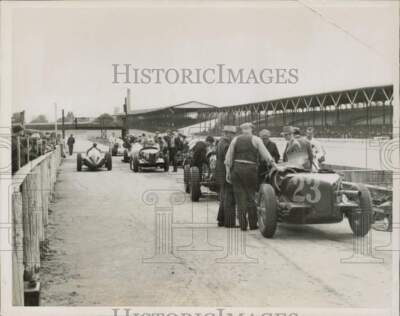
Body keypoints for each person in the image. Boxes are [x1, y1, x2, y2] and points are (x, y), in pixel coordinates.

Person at [225, 122, 277, 231]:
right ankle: (253, 224)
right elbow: (267, 156)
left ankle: (243, 225)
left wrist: (228, 173)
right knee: (251, 197)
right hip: (250, 169)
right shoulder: (256, 139)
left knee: (240, 199)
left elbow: (228, 159)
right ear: (251, 129)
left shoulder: (235, 139)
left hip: (237, 169)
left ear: (242, 130)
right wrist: (275, 166)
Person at [216, 126, 237, 227]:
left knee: (224, 197)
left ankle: (221, 220)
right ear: (227, 134)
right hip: (225, 173)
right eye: (232, 134)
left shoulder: (221, 142)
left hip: (221, 173)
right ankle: (229, 222)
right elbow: (229, 158)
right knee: (229, 197)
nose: (233, 136)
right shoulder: (226, 144)